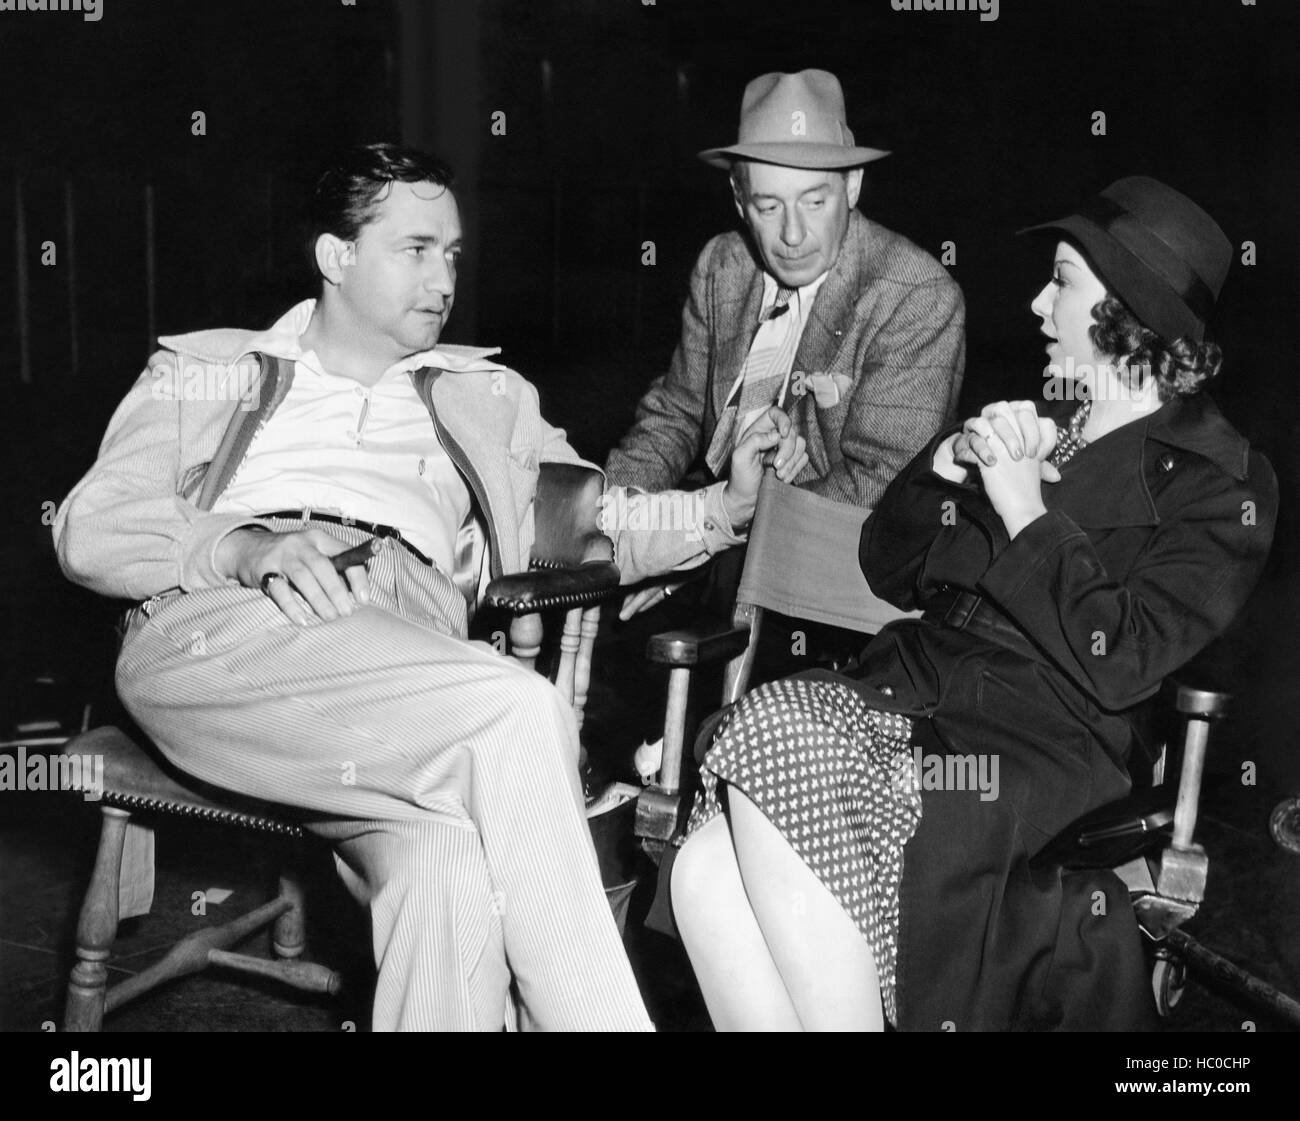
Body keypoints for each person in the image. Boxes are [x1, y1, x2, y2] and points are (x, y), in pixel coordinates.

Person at [52, 142, 807, 1032]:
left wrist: (727, 504)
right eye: (415, 249)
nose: (443, 276)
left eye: (451, 253)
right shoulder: (209, 367)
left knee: (443, 862)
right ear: (337, 258)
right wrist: (239, 546)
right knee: (520, 712)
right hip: (230, 622)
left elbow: (596, 522)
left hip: (405, 648)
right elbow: (87, 525)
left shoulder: (484, 395)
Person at [668, 176, 1278, 1031]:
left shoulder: (1222, 481)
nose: (1036, 302)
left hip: (1032, 744)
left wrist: (1025, 509)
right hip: (914, 692)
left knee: (771, 755)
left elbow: (1124, 656)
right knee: (701, 866)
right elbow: (889, 568)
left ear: (1127, 309)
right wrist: (950, 463)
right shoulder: (1044, 416)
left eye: (1061, 279)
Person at [606, 68, 966, 620]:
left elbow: (879, 486)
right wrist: (614, 523)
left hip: (833, 584)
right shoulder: (722, 265)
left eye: (814, 202)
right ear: (738, 197)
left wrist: (701, 539)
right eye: (769, 206)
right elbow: (675, 414)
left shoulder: (916, 293)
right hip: (718, 532)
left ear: (852, 186)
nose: (792, 236)